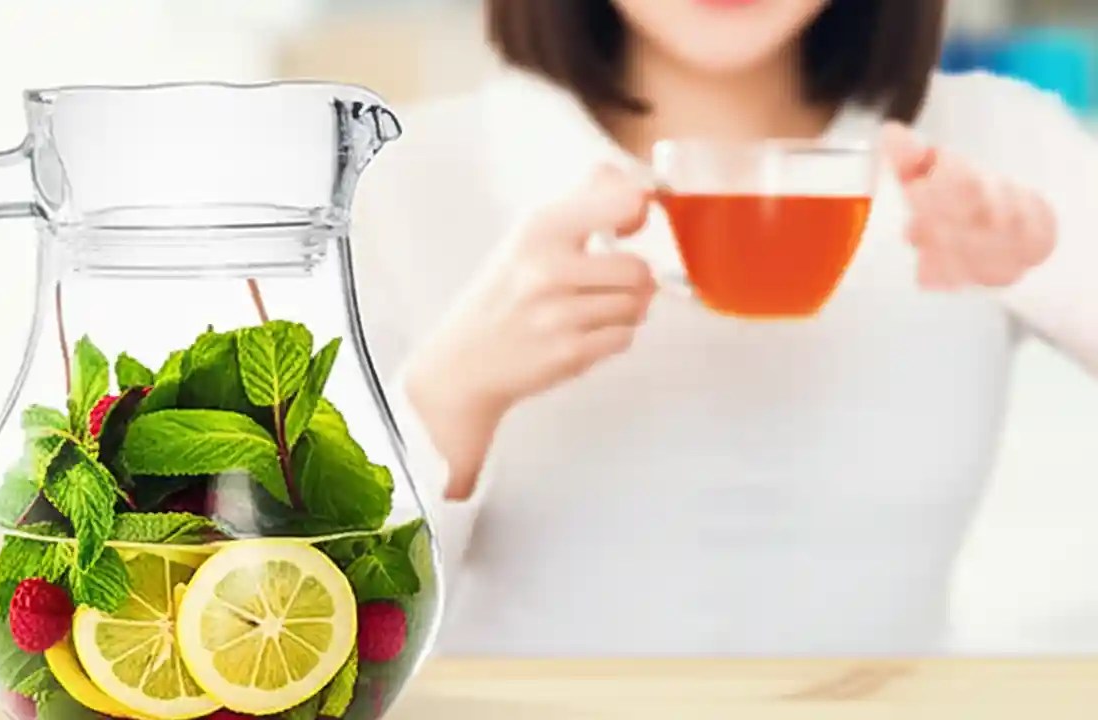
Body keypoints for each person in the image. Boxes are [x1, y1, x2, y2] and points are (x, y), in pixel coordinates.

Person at [351, 0, 1098, 655]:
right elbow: (301, 631)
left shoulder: (997, 142)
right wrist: (449, 396)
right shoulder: (398, 181)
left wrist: (1054, 270)